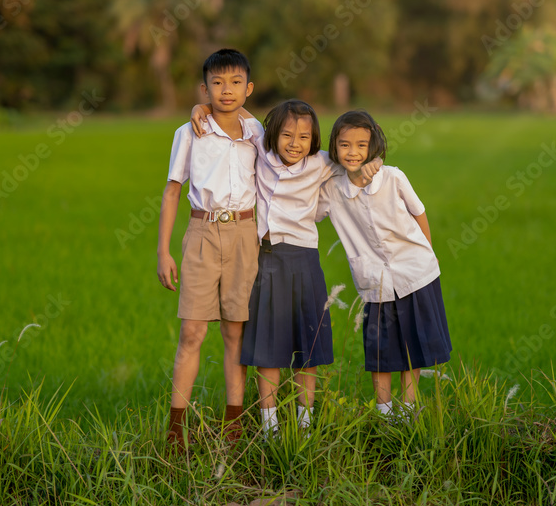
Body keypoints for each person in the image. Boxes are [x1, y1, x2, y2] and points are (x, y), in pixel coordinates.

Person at [193, 100, 381, 436]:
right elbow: (236, 110)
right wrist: (202, 106)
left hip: (305, 259)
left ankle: (304, 423)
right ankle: (270, 426)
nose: (295, 143)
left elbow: (357, 157)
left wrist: (374, 163)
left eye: (304, 137)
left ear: (314, 140)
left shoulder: (322, 162)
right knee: (268, 346)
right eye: (287, 135)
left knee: (305, 344)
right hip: (265, 258)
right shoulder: (259, 148)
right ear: (272, 134)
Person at [157, 48, 262, 449]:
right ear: (205, 88)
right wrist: (163, 251)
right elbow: (172, 192)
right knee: (192, 332)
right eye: (216, 84)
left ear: (249, 88)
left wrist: (202, 106)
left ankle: (233, 429)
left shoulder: (257, 134)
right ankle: (175, 433)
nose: (226, 91)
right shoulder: (189, 133)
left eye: (236, 83)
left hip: (244, 234)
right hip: (202, 232)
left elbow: (290, 140)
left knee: (236, 333)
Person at [316, 110, 451, 419]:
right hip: (375, 282)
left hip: (416, 273)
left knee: (413, 346)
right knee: (380, 351)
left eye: (362, 145)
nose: (353, 152)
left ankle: (408, 409)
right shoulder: (332, 189)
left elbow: (418, 212)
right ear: (334, 147)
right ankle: (384, 414)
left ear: (372, 145)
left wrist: (427, 254)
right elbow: (313, 194)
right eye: (344, 145)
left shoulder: (393, 177)